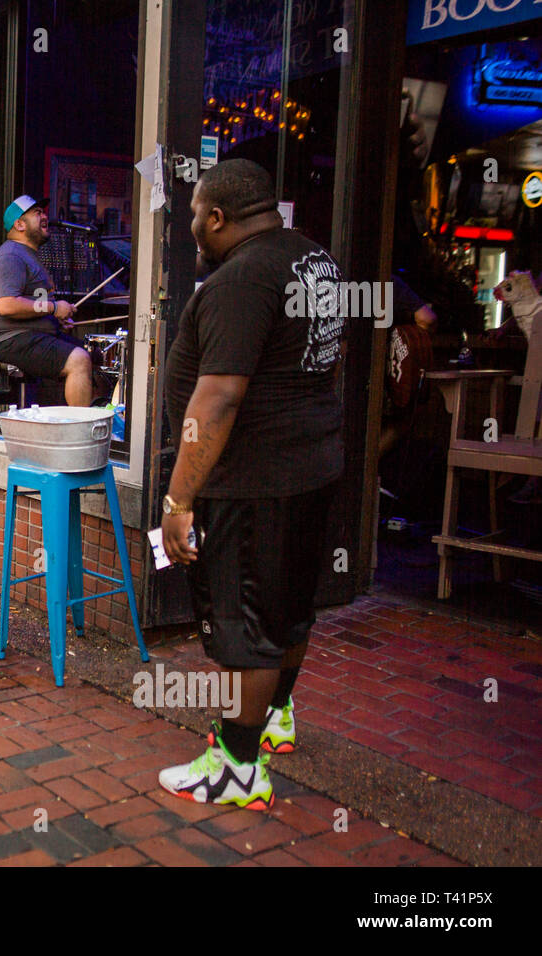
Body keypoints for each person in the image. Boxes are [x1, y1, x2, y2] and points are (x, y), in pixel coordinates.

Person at [158, 159, 345, 810]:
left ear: (217, 217)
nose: (189, 228)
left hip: (254, 478)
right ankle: (276, 719)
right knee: (291, 607)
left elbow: (216, 401)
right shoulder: (315, 261)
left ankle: (238, 766)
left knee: (246, 628)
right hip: (310, 468)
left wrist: (180, 499)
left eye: (192, 216)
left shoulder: (242, 277)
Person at [0, 194, 92, 406]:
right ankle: (79, 435)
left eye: (44, 212)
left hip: (27, 334)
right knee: (79, 360)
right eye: (37, 213)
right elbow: (7, 304)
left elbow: (32, 304)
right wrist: (54, 308)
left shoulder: (27, 254)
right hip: (6, 338)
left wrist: (54, 319)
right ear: (19, 224)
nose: (45, 216)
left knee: (94, 357)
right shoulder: (10, 256)